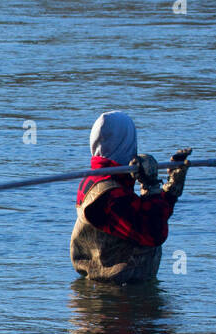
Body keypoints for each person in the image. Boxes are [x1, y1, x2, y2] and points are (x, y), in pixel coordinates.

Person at [70, 111, 191, 284]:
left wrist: (172, 186)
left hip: (116, 293)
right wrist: (150, 185)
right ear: (127, 143)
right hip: (115, 300)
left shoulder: (104, 181)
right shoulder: (108, 194)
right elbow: (153, 232)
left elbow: (145, 215)